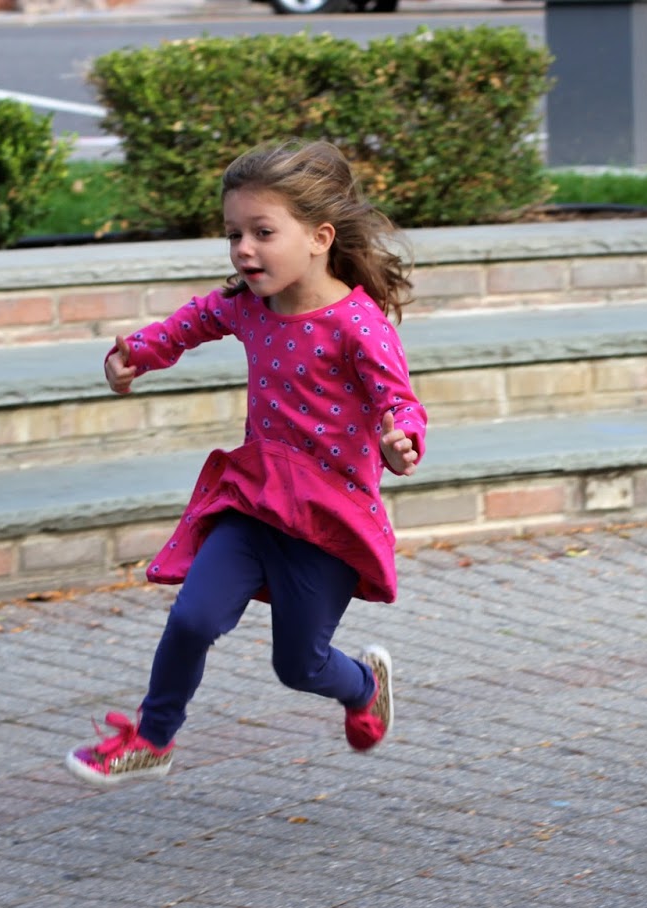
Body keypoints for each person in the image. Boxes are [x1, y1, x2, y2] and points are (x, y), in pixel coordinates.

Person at [65, 140, 427, 788]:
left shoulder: (357, 325)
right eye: (234, 234)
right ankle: (152, 738)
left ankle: (365, 684)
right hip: (255, 501)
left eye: (263, 232)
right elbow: (190, 323)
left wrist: (403, 439)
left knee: (299, 666)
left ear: (319, 237)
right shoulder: (247, 306)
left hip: (327, 520)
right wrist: (136, 356)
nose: (243, 250)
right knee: (194, 617)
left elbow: (398, 400)